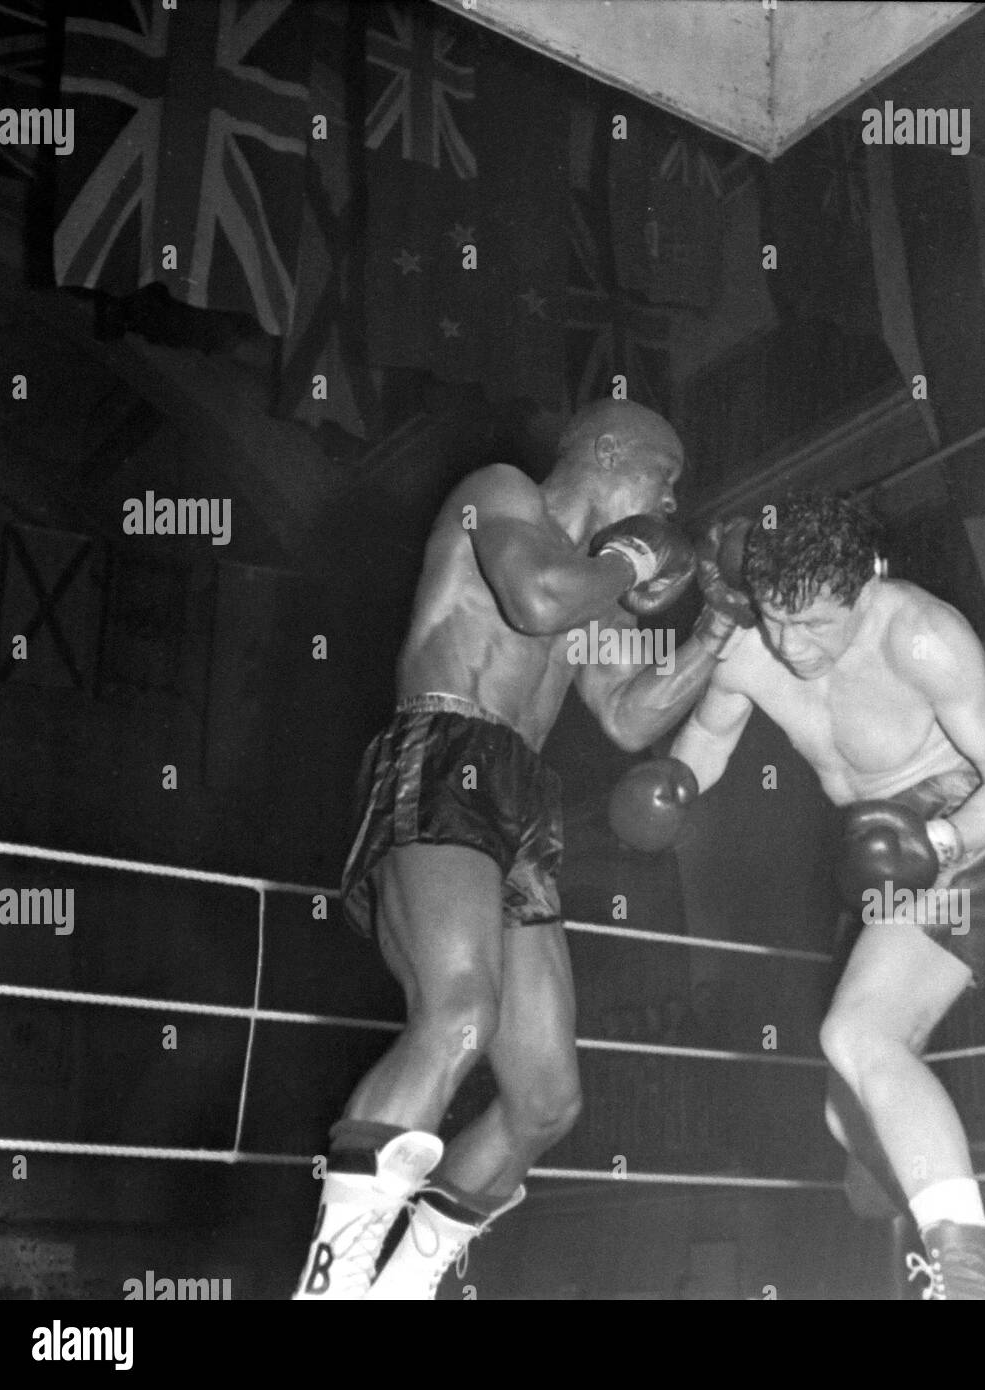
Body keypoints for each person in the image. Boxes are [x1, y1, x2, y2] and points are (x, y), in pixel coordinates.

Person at [295, 398, 740, 1301]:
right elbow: (534, 600)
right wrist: (637, 556)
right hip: (445, 746)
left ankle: (402, 1285)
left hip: (522, 796)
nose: (672, 496)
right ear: (612, 451)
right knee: (459, 1012)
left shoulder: (591, 580)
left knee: (546, 1101)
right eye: (667, 476)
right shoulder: (499, 495)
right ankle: (333, 1282)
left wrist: (717, 629)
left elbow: (626, 716)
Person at [658, 491, 985, 1299]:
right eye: (775, 618)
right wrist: (670, 788)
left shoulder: (923, 637)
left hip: (963, 829)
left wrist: (937, 843)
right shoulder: (749, 646)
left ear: (862, 585)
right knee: (851, 1117)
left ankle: (972, 1276)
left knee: (858, 1033)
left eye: (815, 623)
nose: (793, 645)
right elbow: (708, 740)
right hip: (876, 854)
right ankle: (964, 1239)